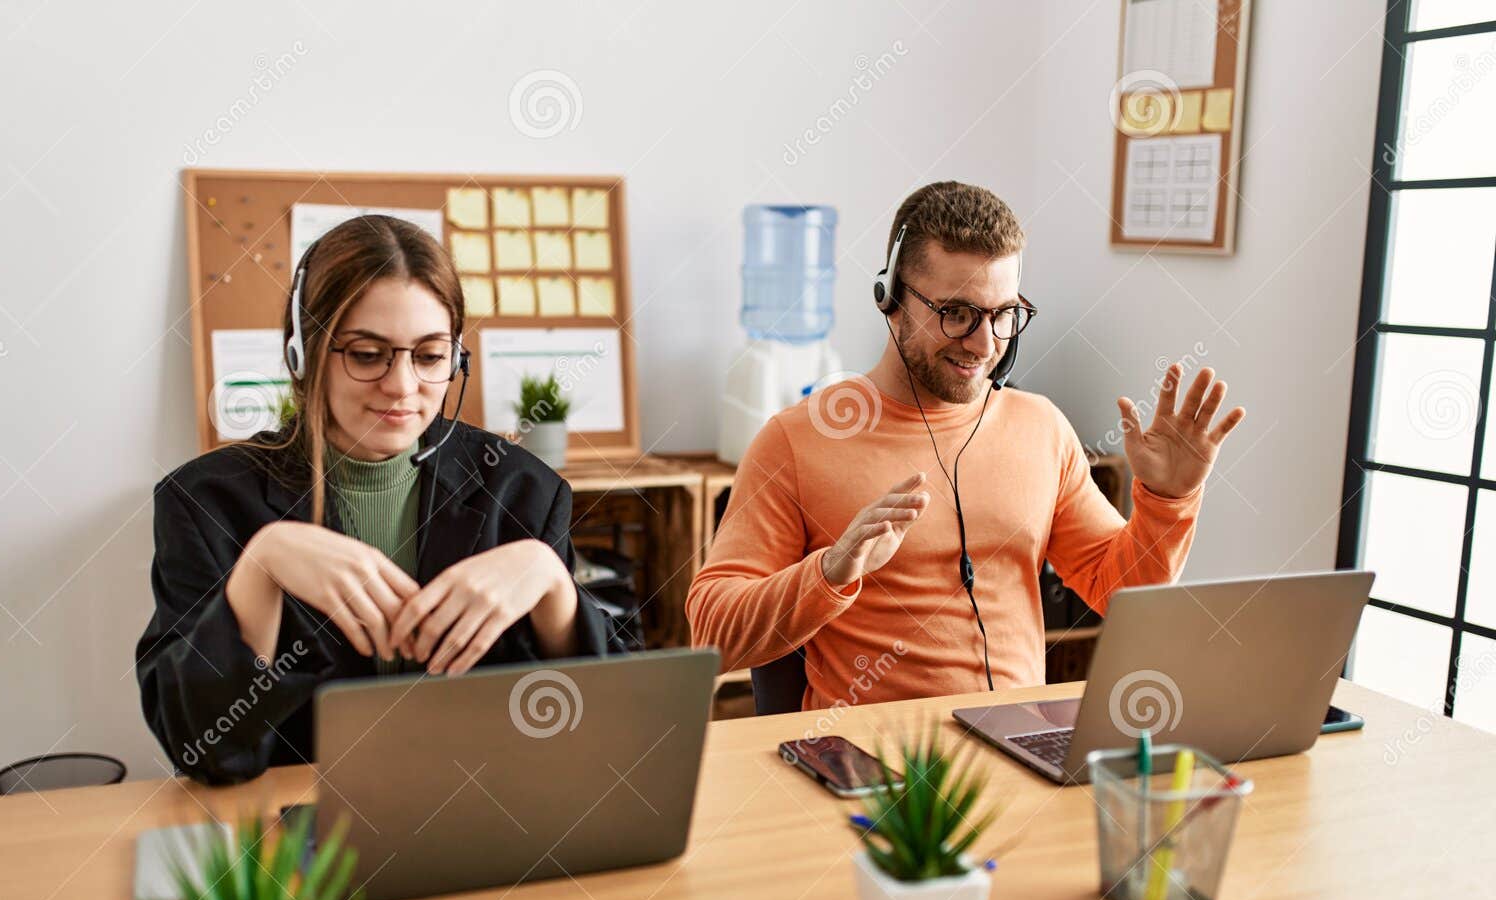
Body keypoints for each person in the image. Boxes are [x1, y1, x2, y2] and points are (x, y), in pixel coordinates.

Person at [686, 182, 1246, 711]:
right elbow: (711, 635)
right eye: (957, 314)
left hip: (1018, 748)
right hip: (870, 760)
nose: (984, 344)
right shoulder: (796, 441)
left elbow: (1119, 592)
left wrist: (1166, 502)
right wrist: (829, 572)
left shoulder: (1042, 427)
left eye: (1004, 315)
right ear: (890, 297)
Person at [136, 215, 616, 785]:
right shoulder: (205, 502)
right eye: (367, 354)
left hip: (485, 810)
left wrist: (553, 585)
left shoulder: (523, 490)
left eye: (430, 356)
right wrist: (261, 569)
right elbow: (201, 752)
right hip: (303, 825)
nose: (402, 386)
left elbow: (606, 731)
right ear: (303, 355)